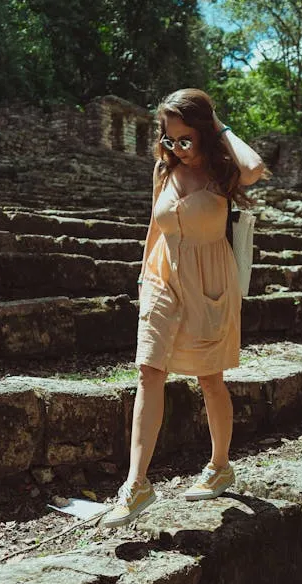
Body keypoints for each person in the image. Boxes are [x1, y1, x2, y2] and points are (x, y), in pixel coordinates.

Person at [102, 88, 266, 528]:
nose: (176, 148)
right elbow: (153, 229)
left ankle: (219, 466)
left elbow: (254, 168)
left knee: (210, 380)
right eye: (170, 139)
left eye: (186, 139)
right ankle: (136, 485)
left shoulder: (222, 171)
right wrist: (143, 278)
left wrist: (219, 126)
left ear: (206, 132)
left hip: (209, 282)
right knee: (148, 371)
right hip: (161, 278)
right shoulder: (164, 168)